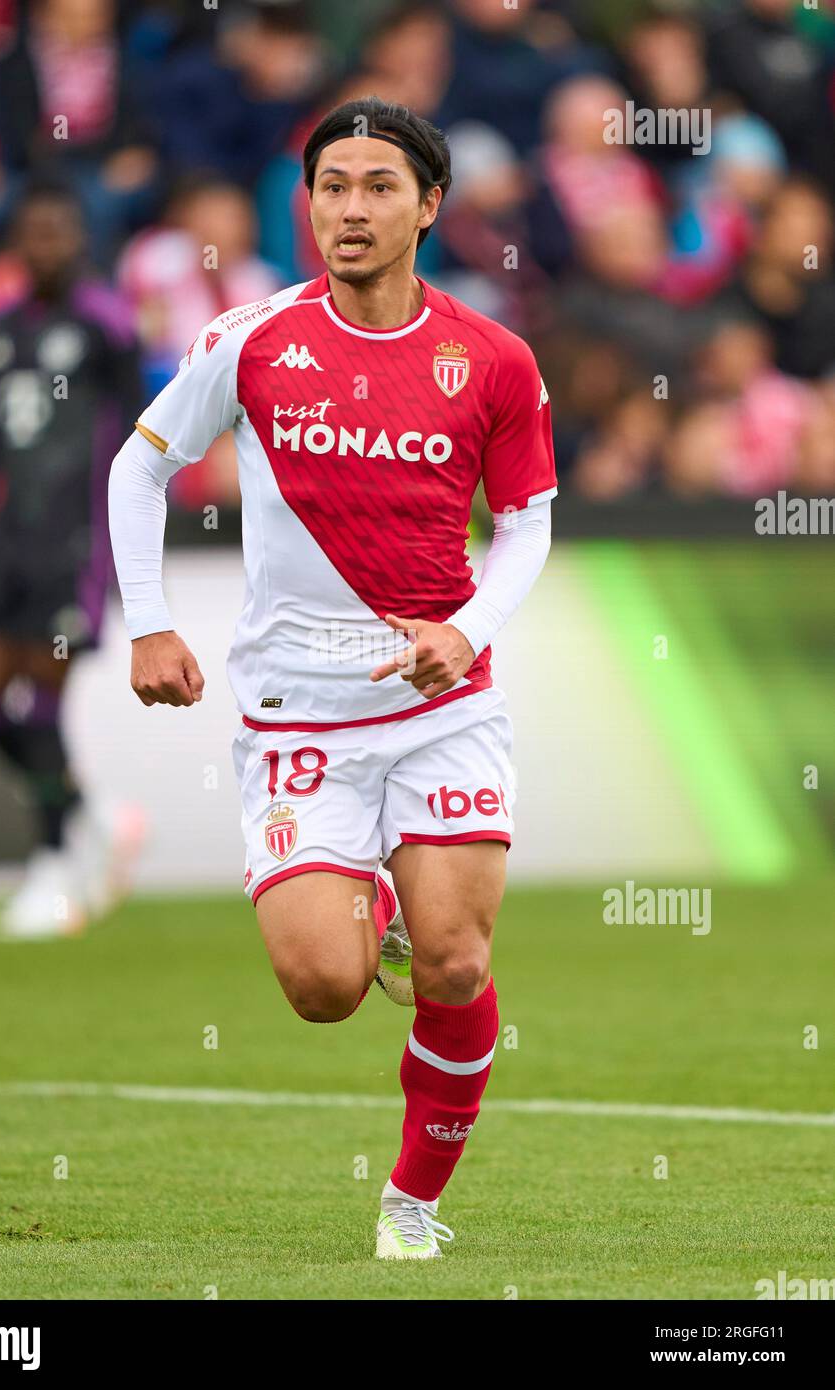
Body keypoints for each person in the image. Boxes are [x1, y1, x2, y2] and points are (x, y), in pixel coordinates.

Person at [107, 97, 556, 1259]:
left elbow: (527, 523)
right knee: (323, 987)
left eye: (377, 188)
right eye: (330, 187)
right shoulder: (250, 338)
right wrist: (150, 625)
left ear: (429, 207)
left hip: (441, 704)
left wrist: (466, 626)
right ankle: (383, 907)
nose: (349, 210)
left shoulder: (491, 356)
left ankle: (409, 1206)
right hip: (297, 712)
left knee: (459, 961)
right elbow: (138, 467)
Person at [0, 179, 145, 939]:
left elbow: (145, 436)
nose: (47, 246)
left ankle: (49, 871)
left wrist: (138, 535)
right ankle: (93, 814)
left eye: (59, 232)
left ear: (80, 240)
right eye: (33, 233)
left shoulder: (107, 327)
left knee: (40, 699)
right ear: (17, 245)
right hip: (12, 541)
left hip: (79, 540)